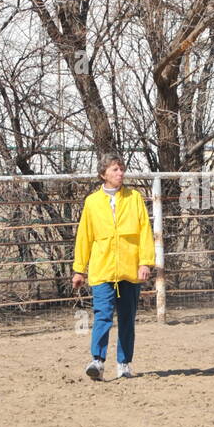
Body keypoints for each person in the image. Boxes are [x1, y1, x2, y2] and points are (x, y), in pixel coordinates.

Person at [71, 153, 155, 380]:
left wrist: (145, 262)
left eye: (121, 169)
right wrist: (80, 269)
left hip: (129, 269)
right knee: (102, 316)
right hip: (102, 270)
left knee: (128, 318)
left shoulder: (134, 198)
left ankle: (124, 364)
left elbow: (145, 231)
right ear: (103, 174)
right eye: (115, 170)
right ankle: (97, 361)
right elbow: (84, 237)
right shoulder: (92, 202)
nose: (120, 173)